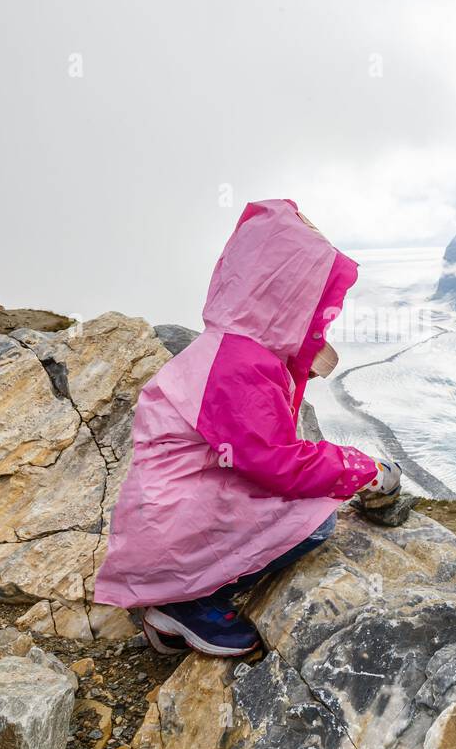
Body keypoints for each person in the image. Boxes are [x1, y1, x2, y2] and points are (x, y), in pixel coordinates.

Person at [94, 199, 401, 657]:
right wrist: (363, 469)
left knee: (302, 507)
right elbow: (276, 462)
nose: (320, 311)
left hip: (169, 513)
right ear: (290, 295)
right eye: (313, 297)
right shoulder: (240, 364)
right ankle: (187, 602)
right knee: (312, 522)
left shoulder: (231, 347)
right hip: (174, 527)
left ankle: (178, 598)